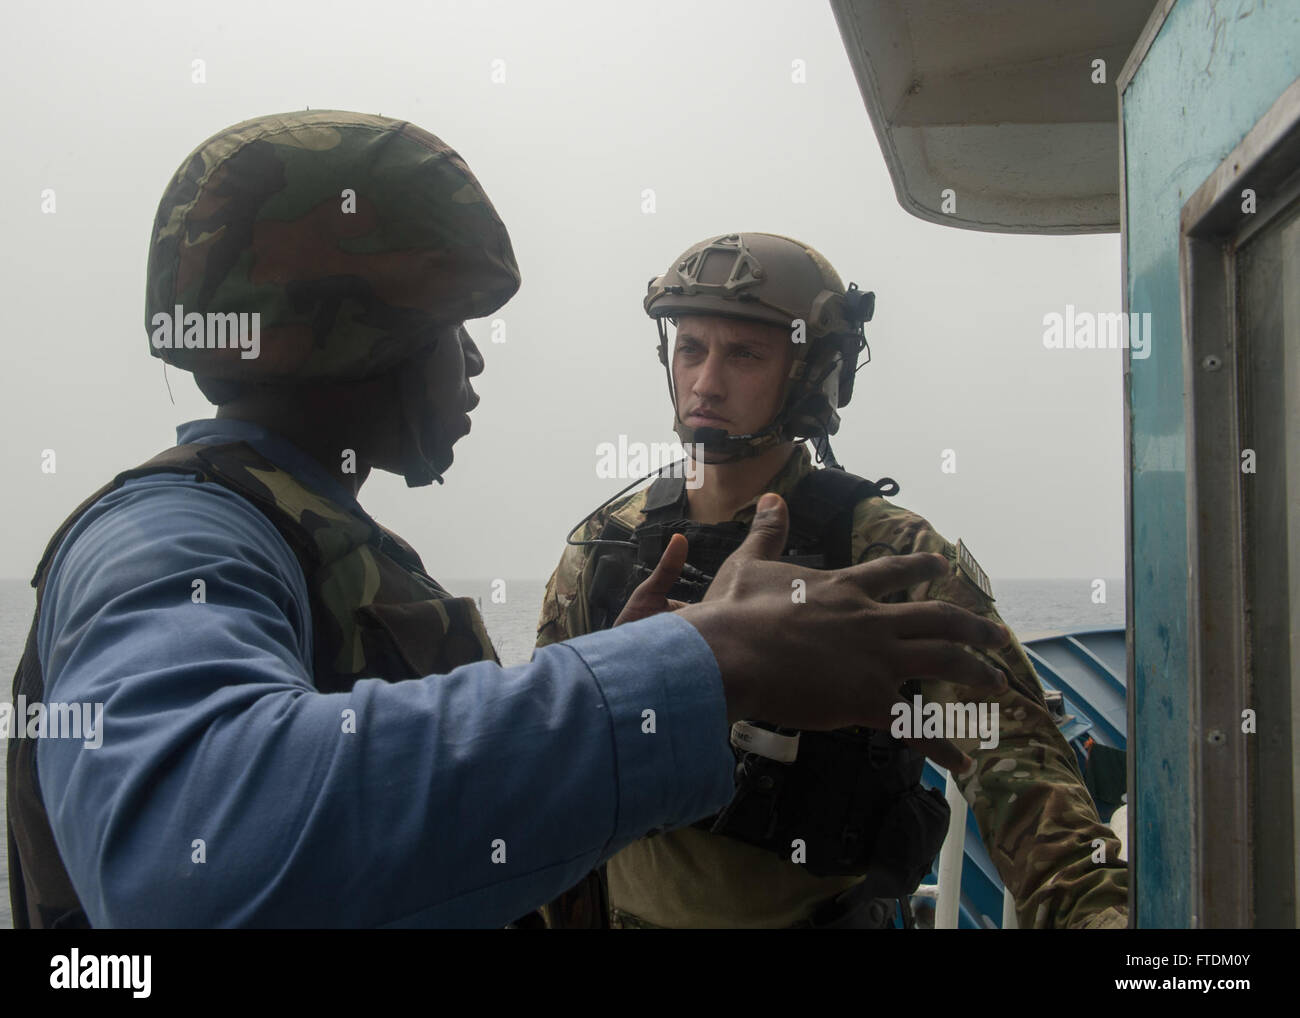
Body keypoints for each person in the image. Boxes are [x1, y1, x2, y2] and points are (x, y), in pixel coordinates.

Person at [5, 117, 1009, 929]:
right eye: (449, 328)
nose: (474, 361)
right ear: (359, 342)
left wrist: (630, 675)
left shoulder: (303, 536)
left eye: (740, 353)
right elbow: (193, 860)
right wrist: (699, 667)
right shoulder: (171, 542)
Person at [537, 232, 1129, 929]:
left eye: (745, 354)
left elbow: (1022, 781)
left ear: (815, 372)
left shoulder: (886, 555)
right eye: (690, 348)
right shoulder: (606, 548)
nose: (705, 382)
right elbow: (541, 769)